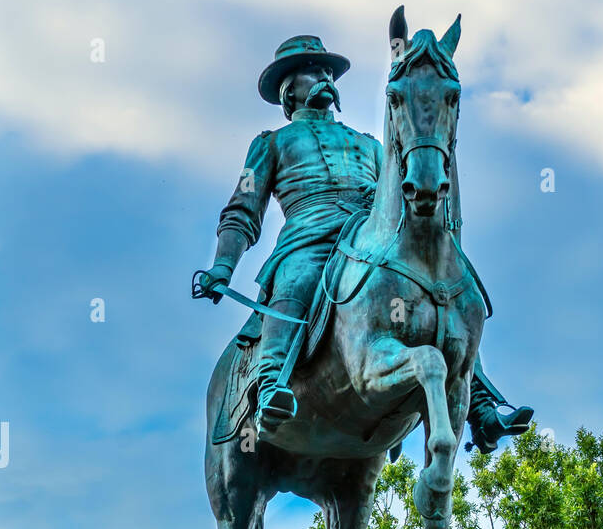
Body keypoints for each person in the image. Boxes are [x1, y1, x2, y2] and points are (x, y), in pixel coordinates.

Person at [197, 33, 531, 450]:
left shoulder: (369, 143)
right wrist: (222, 266)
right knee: (297, 278)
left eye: (326, 71)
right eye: (310, 72)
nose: (322, 77)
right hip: (310, 234)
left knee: (444, 294)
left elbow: (392, 190)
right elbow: (242, 209)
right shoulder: (272, 143)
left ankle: (479, 400)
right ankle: (269, 385)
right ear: (288, 92)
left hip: (371, 234)